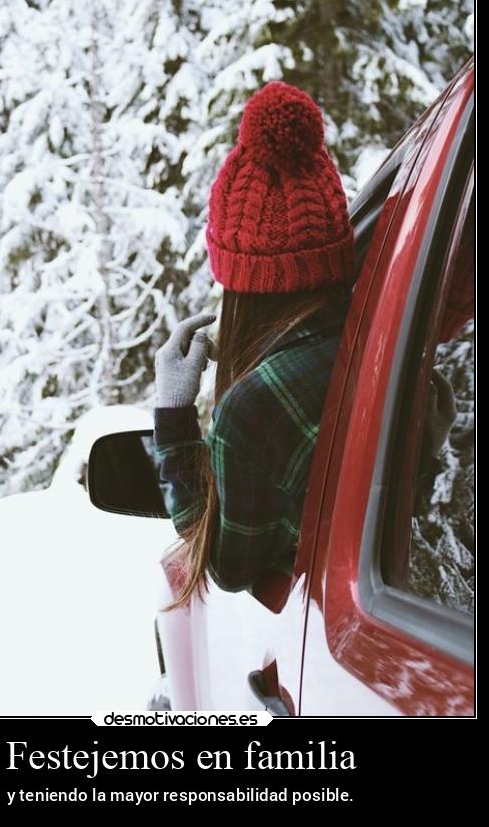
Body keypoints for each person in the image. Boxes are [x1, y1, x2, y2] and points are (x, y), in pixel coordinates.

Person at [152, 81, 356, 610]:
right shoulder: (368, 337)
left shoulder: (252, 413)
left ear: (240, 286)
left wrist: (174, 415)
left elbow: (227, 566)